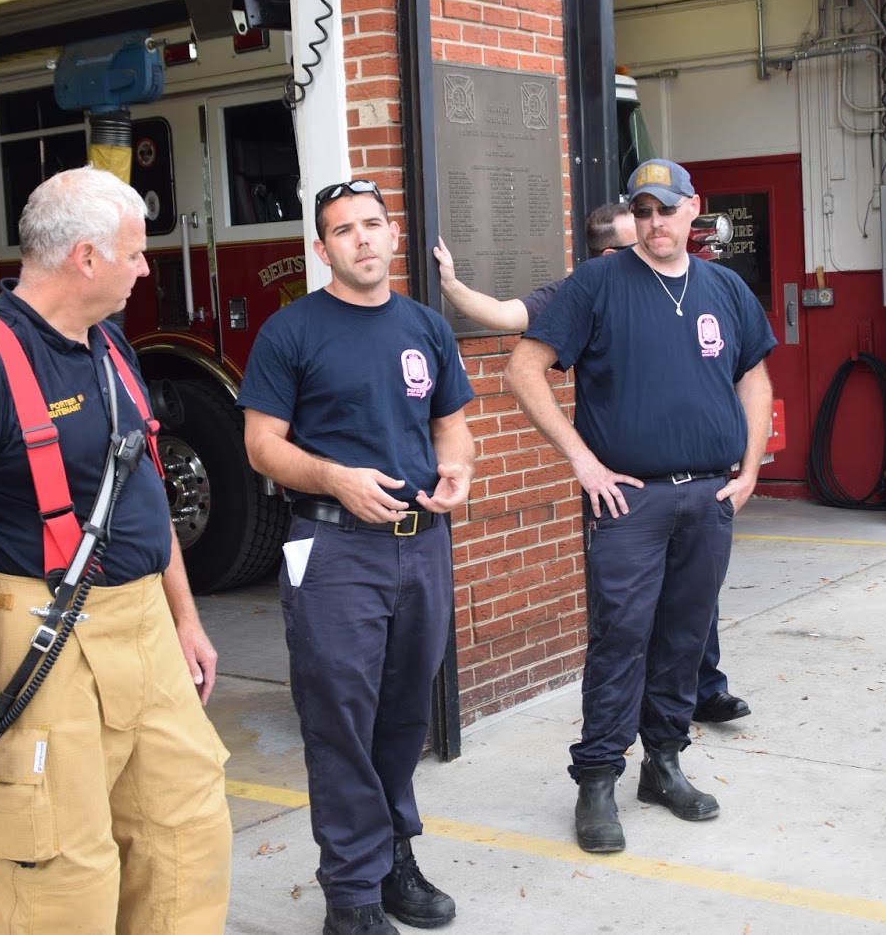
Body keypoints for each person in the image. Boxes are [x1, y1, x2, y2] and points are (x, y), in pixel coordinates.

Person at [0, 166, 231, 934]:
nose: (147, 267)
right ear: (85, 258)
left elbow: (141, 488)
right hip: (40, 629)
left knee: (184, 833)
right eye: (135, 253)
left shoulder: (110, 345)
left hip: (144, 625)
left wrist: (184, 618)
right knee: (64, 874)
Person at [506, 159, 775, 854]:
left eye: (666, 209)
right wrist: (580, 458)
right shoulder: (597, 283)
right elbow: (523, 369)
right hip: (630, 502)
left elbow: (753, 378)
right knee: (621, 638)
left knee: (685, 639)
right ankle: (597, 780)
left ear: (694, 211)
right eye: (643, 211)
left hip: (708, 495)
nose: (655, 223)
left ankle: (664, 763)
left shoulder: (725, 287)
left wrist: (749, 470)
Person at [239, 178, 475, 935]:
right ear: (323, 248)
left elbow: (451, 427)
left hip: (421, 547)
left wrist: (458, 470)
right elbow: (260, 446)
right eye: (344, 231)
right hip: (331, 549)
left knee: (405, 717)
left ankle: (393, 858)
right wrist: (335, 478)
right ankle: (352, 896)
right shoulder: (292, 332)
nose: (363, 239)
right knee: (341, 717)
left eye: (373, 224)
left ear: (393, 234)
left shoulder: (425, 327)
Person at [435, 203, 753, 726]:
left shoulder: (687, 282)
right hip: (630, 489)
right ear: (610, 252)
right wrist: (451, 284)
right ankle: (614, 747)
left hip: (697, 485)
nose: (654, 240)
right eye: (637, 237)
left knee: (694, 604)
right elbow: (506, 318)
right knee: (628, 620)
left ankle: (702, 689)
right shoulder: (586, 287)